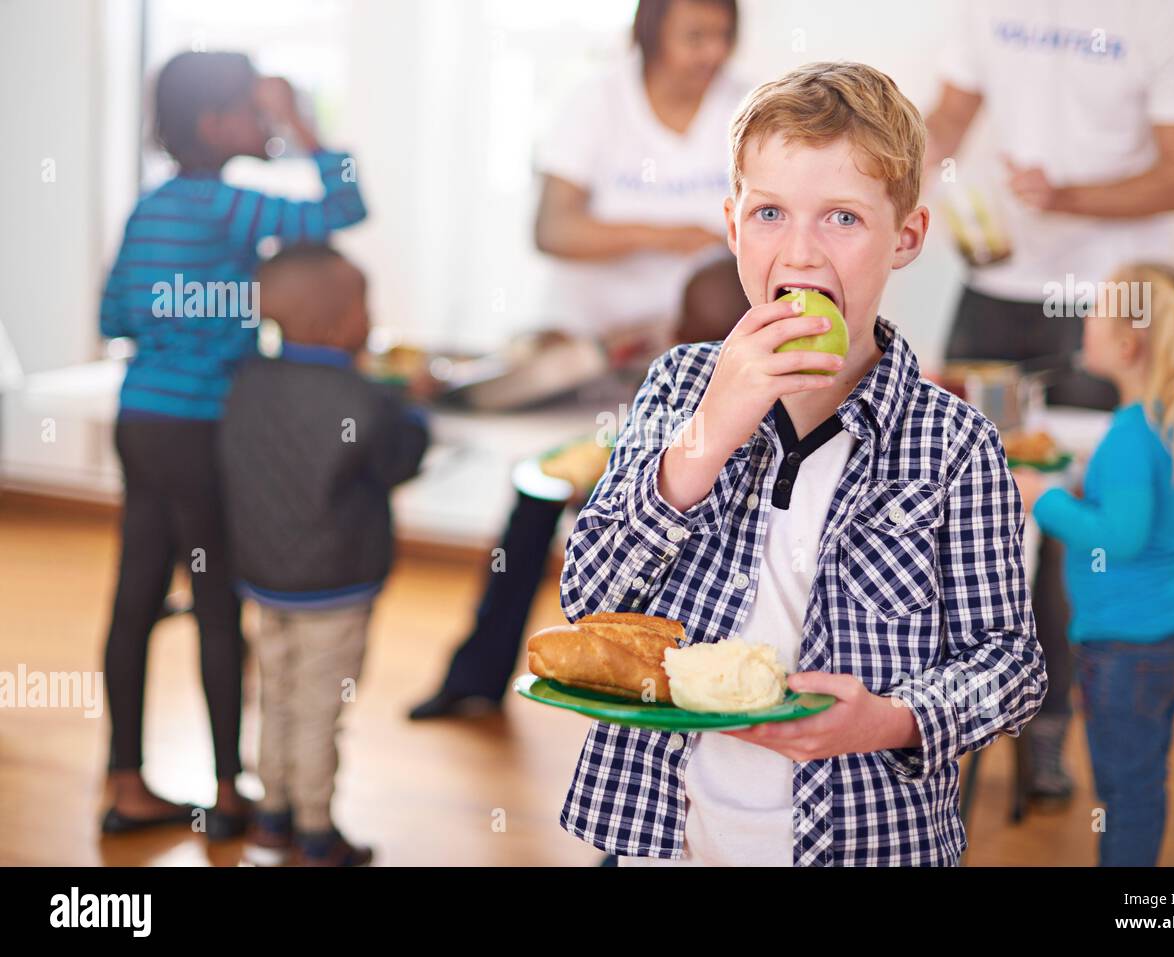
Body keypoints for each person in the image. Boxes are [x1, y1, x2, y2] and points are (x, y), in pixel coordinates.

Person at [559, 61, 1046, 866]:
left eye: (843, 218)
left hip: (861, 840)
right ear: (731, 224)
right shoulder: (681, 386)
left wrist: (889, 718)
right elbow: (590, 597)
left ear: (908, 237)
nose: (801, 251)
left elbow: (1010, 667)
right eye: (771, 212)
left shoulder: (954, 443)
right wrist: (707, 435)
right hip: (662, 840)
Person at [408, 0, 750, 720]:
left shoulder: (743, 106)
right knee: (538, 506)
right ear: (653, 32)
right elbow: (553, 226)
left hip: (696, 357)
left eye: (720, 34)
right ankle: (476, 678)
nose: (709, 52)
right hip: (594, 353)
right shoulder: (597, 101)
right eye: (694, 35)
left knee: (684, 520)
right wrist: (670, 234)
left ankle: (676, 698)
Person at [923, 0, 1174, 801]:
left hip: (1104, 305)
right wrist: (881, 171)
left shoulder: (1172, 18)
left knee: (1069, 531)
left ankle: (1046, 729)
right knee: (945, 501)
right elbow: (948, 116)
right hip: (992, 289)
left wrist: (1065, 196)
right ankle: (934, 715)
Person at [97, 51, 366, 839]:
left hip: (140, 421)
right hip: (207, 428)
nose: (264, 119)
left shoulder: (148, 209)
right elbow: (345, 207)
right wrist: (305, 125)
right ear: (217, 124)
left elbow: (115, 314)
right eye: (255, 108)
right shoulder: (230, 208)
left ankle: (125, 782)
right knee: (217, 604)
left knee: (134, 601)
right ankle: (227, 791)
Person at [1014, 262, 1174, 866]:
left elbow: (1117, 538)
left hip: (1126, 648)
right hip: (1173, 631)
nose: (1084, 322)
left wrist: (1046, 498)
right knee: (1142, 776)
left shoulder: (1128, 437)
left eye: (1095, 311)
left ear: (1128, 343)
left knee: (1123, 791)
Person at [219, 245, 430, 866]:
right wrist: (411, 403)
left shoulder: (248, 381)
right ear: (342, 323)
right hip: (335, 584)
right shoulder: (364, 400)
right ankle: (316, 832)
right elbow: (402, 458)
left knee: (278, 694)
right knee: (320, 709)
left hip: (264, 578)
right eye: (365, 306)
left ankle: (272, 817)